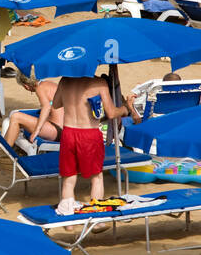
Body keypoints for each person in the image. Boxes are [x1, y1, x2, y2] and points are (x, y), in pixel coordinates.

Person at [35, 75, 140, 215]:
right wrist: (126, 108)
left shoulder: (65, 80)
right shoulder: (98, 83)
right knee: (96, 177)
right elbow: (111, 113)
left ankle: (67, 215)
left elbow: (56, 104)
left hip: (69, 132)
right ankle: (97, 219)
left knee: (69, 177)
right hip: (89, 134)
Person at [3, 71, 62, 149]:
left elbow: (46, 107)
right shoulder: (49, 84)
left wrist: (36, 131)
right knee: (19, 118)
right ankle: (6, 145)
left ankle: (5, 149)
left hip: (56, 131)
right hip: (64, 129)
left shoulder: (40, 88)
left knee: (16, 116)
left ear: (26, 86)